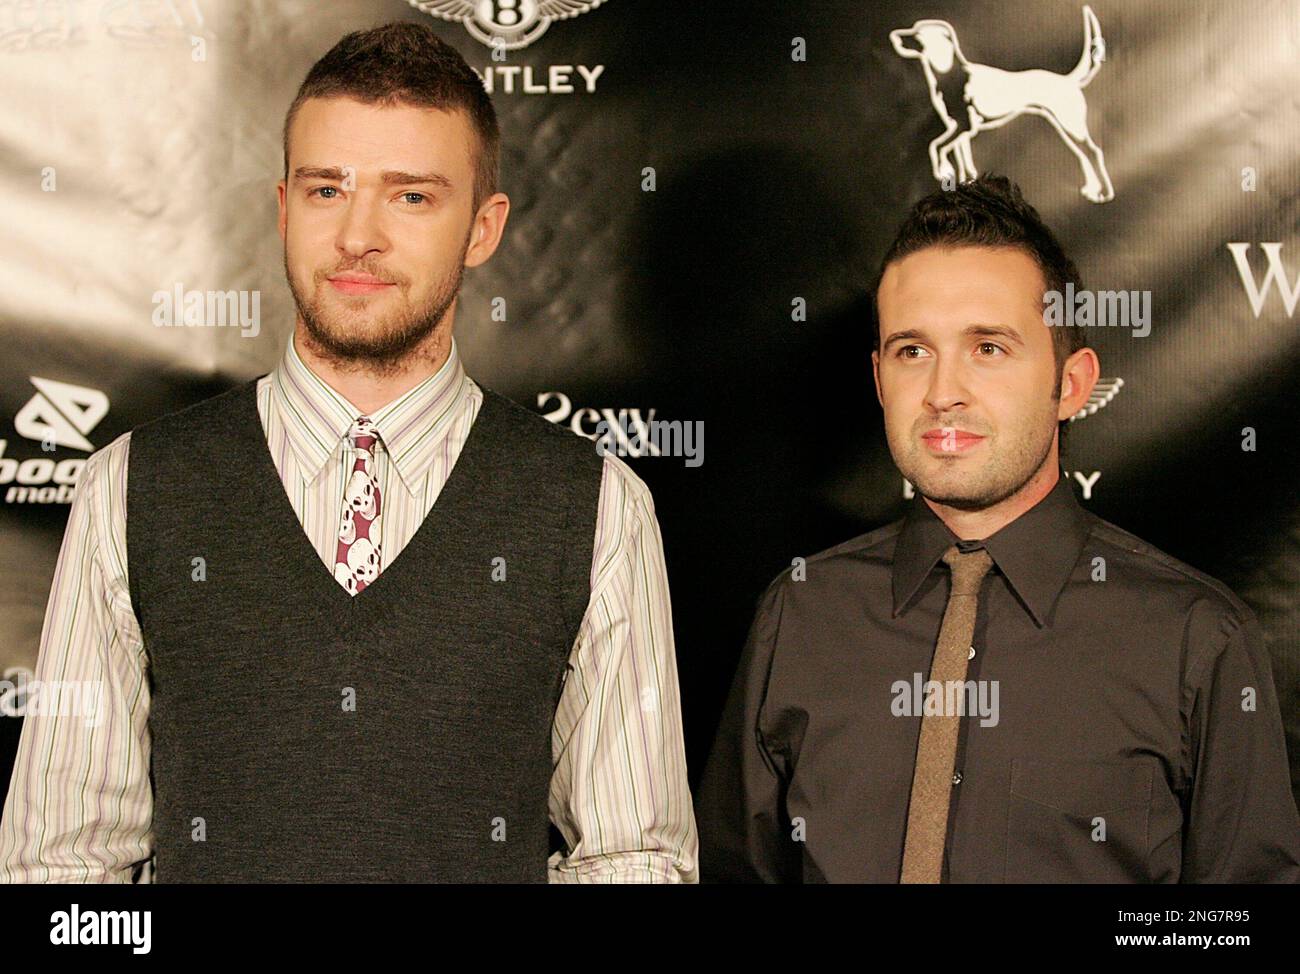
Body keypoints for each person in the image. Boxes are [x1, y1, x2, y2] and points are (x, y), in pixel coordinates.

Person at [0, 22, 696, 884]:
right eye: (329, 190)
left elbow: (636, 862)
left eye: (410, 196)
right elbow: (61, 869)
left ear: (483, 228)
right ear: (285, 207)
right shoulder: (131, 490)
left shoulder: (596, 508)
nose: (358, 234)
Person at [696, 175, 1300, 883]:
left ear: (1071, 384)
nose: (944, 390)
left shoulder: (1196, 638)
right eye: (912, 350)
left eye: (989, 347)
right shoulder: (799, 613)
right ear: (879, 378)